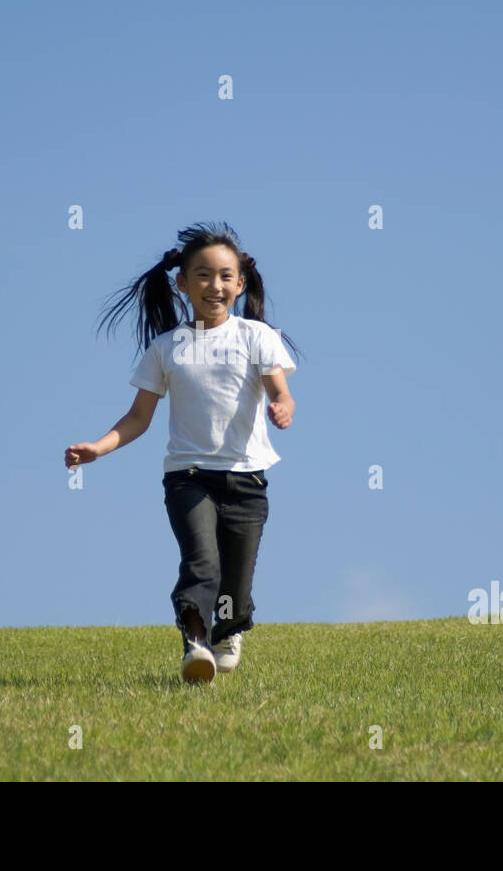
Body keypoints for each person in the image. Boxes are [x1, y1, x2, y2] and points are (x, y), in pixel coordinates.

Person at [64, 221, 301, 684]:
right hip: (188, 477)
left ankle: (227, 630)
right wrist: (98, 448)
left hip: (247, 478)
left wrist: (282, 406)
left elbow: (282, 392)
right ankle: (196, 640)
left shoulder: (257, 337)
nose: (215, 286)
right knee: (201, 562)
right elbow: (137, 418)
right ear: (183, 283)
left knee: (236, 580)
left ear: (240, 282)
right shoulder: (166, 348)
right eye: (204, 275)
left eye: (225, 276)